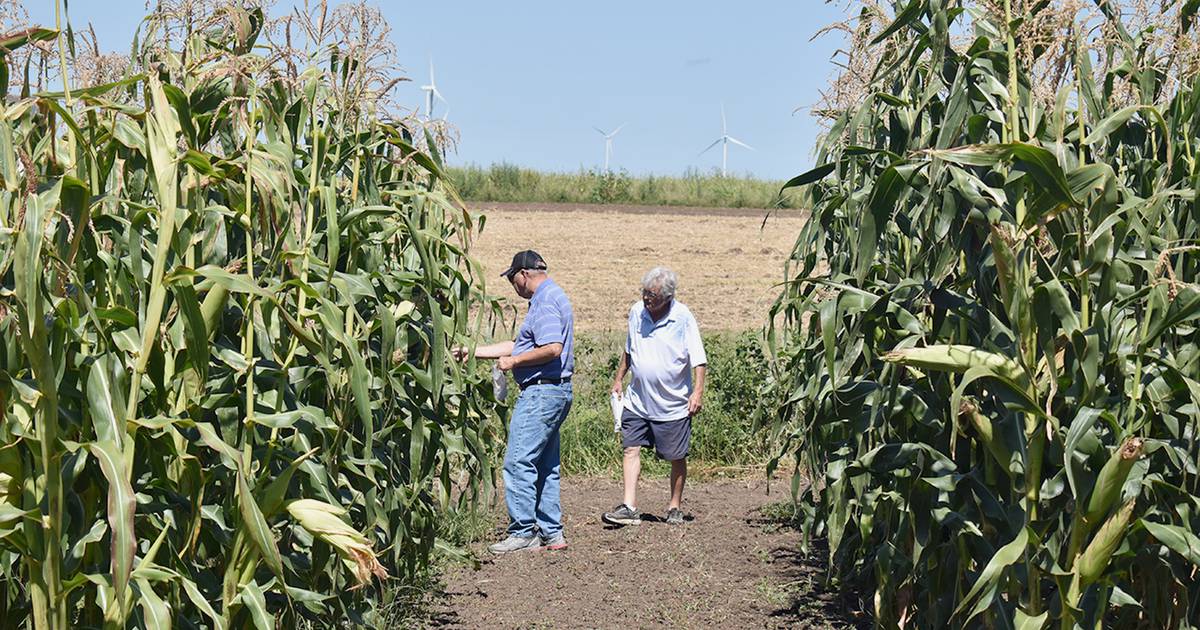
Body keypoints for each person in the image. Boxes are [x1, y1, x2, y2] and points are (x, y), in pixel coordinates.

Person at [457, 250, 575, 553]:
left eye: (512, 280)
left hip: (541, 392)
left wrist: (516, 362)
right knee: (546, 464)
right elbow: (518, 344)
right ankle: (552, 533)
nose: (514, 287)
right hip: (555, 391)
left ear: (523, 274)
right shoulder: (550, 297)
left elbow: (552, 348)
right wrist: (473, 351)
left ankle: (523, 532)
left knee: (518, 460)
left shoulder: (546, 301)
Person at [604, 267, 706, 526]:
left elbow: (699, 359)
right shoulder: (637, 312)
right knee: (630, 448)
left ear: (668, 298)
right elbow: (629, 349)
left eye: (652, 296)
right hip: (638, 400)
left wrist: (697, 391)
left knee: (676, 456)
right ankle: (628, 506)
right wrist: (619, 379)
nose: (646, 299)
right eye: (644, 293)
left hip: (672, 405)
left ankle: (674, 506)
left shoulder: (683, 317)